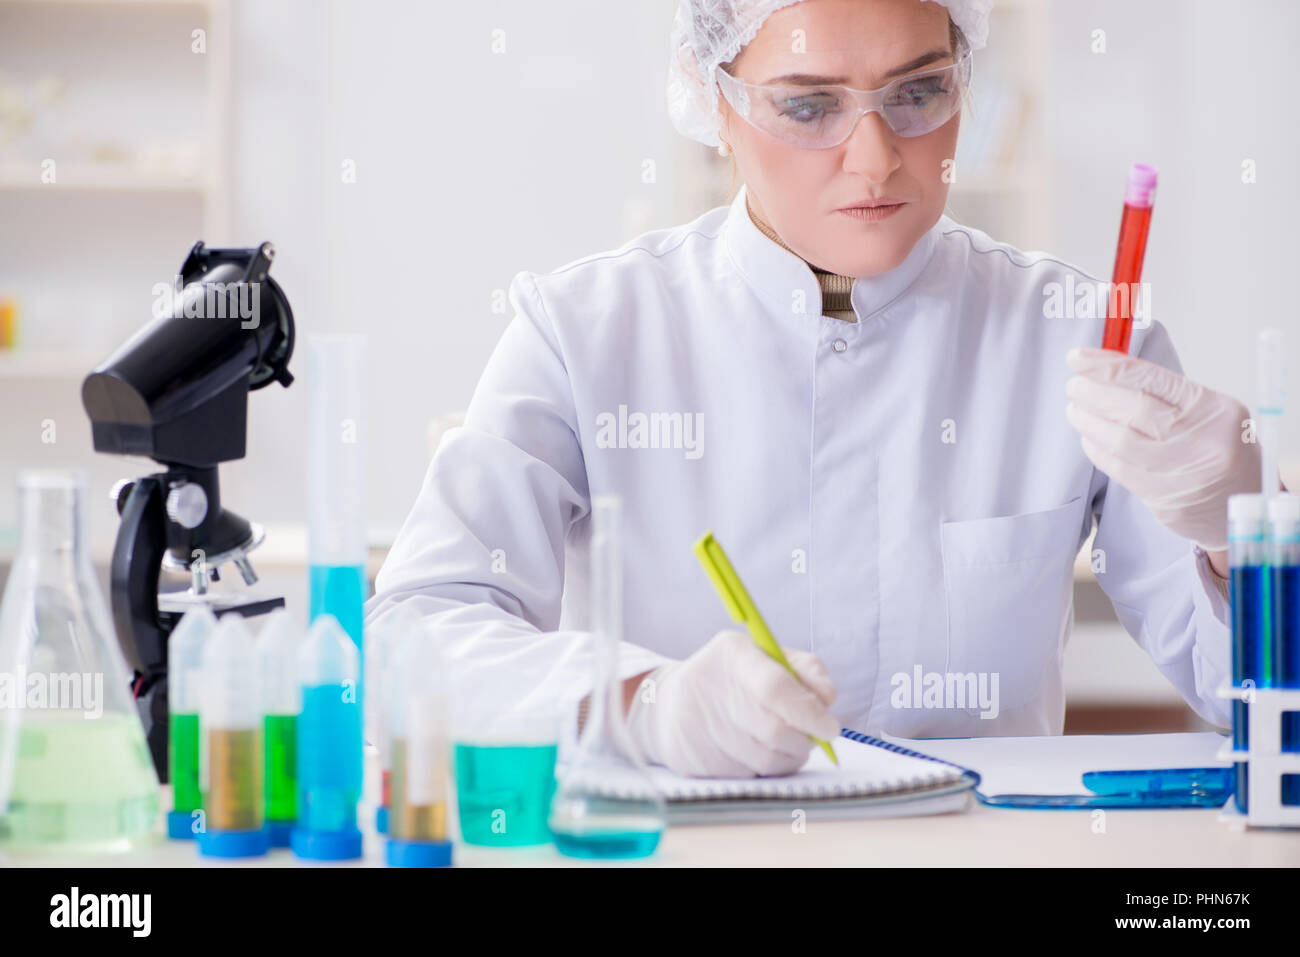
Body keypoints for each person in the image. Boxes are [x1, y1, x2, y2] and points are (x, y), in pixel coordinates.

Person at [364, 0, 1261, 778]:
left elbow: (1258, 702)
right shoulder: (588, 331)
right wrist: (644, 704)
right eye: (806, 105)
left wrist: (1252, 532)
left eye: (918, 92)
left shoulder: (1070, 330)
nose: (875, 160)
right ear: (713, 99)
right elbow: (416, 632)